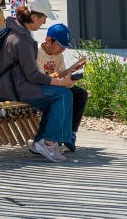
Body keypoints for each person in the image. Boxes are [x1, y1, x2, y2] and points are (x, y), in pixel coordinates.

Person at [0, 0, 75, 163]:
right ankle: (49, 143)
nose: (45, 22)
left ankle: (45, 141)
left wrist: (58, 82)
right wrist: (60, 82)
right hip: (14, 87)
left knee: (59, 95)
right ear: (33, 16)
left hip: (14, 84)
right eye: (43, 18)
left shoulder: (18, 31)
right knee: (62, 94)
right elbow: (32, 75)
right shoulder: (22, 39)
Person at [36, 23, 88, 152]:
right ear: (48, 40)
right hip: (41, 87)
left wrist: (70, 71)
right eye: (60, 46)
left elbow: (59, 74)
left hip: (54, 84)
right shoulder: (37, 52)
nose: (62, 50)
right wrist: (61, 79)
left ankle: (71, 133)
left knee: (81, 94)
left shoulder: (58, 55)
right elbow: (40, 78)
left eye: (65, 47)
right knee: (62, 95)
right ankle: (54, 136)